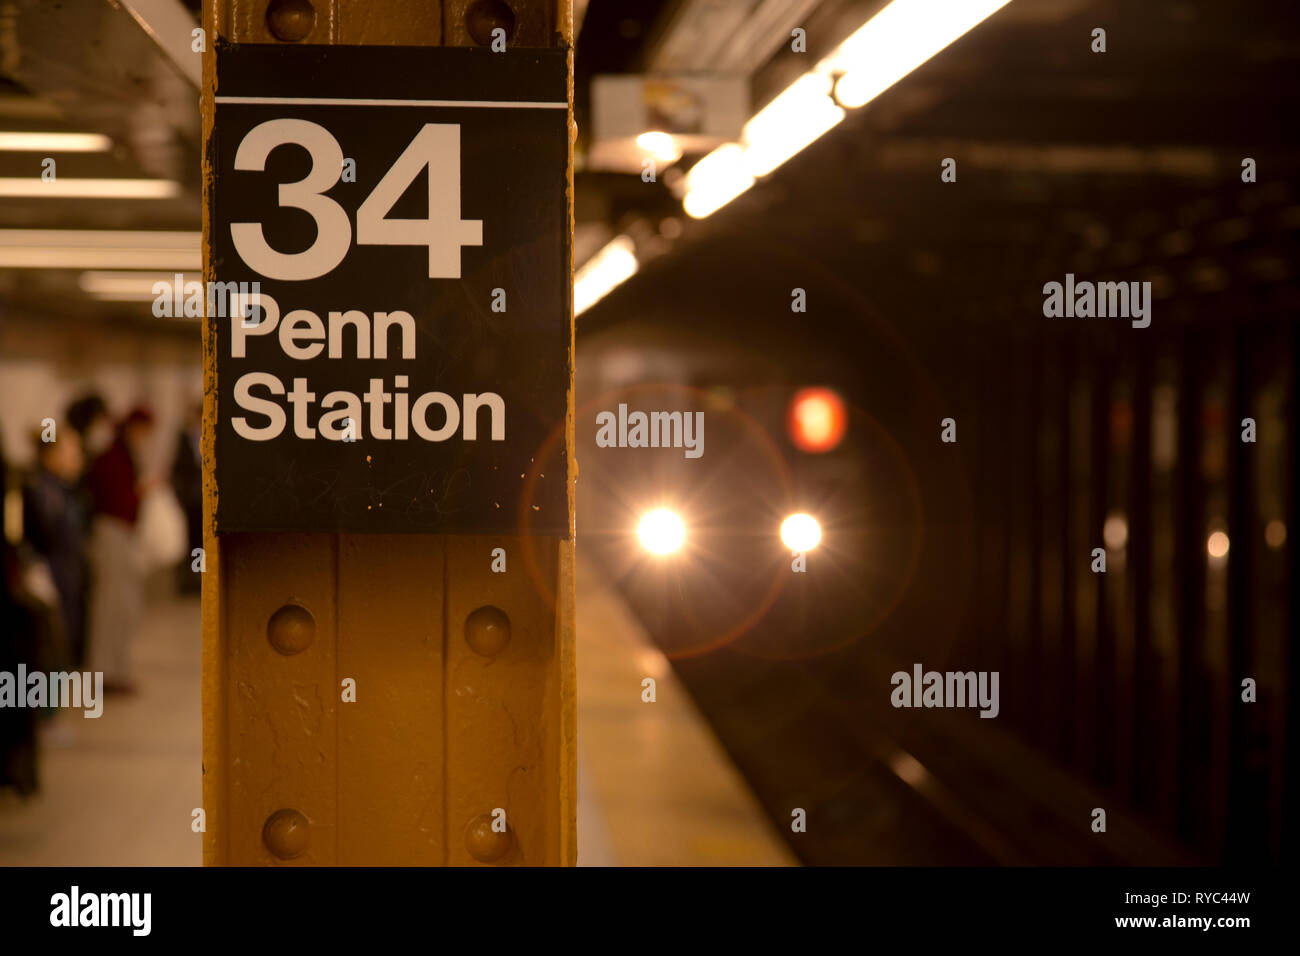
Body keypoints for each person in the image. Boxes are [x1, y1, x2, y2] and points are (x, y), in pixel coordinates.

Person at [85, 405, 155, 694]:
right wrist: (141, 492)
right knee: (111, 606)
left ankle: (115, 669)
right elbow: (115, 499)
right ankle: (105, 673)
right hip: (112, 532)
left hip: (121, 533)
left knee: (123, 607)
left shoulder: (122, 455)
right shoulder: (112, 458)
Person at [22, 428, 88, 668]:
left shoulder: (64, 490)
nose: (78, 459)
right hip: (53, 578)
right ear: (52, 455)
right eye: (72, 452)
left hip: (67, 577)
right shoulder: (40, 489)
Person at [171, 400, 203, 594]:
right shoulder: (185, 439)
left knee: (201, 544)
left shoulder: (212, 437)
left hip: (204, 501)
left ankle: (200, 575)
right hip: (191, 500)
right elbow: (179, 469)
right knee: (190, 543)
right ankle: (190, 579)